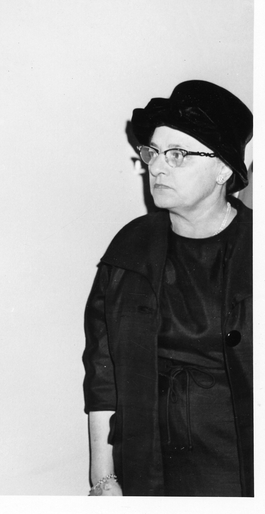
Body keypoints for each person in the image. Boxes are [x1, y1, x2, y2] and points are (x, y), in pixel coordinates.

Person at [82, 80, 253, 496]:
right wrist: (103, 479)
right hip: (147, 464)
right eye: (153, 153)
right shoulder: (130, 248)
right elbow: (103, 376)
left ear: (223, 169)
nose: (156, 167)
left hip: (239, 467)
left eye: (178, 155)